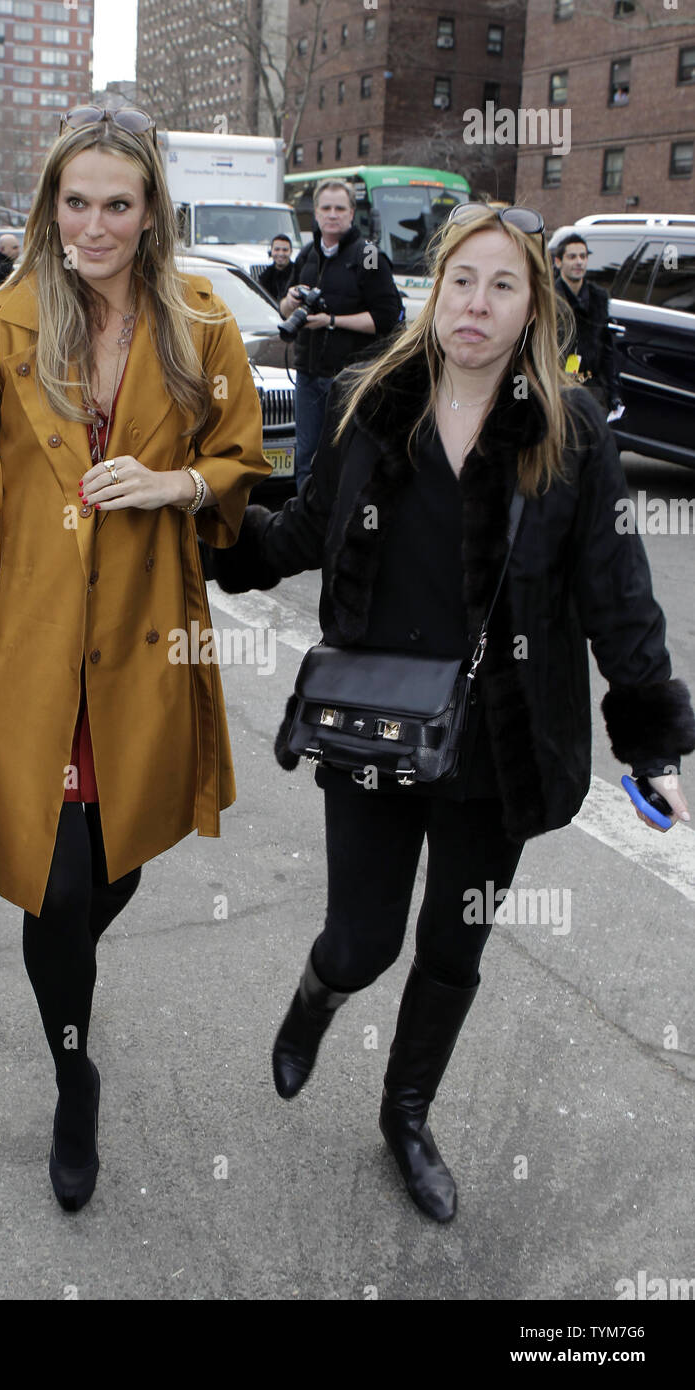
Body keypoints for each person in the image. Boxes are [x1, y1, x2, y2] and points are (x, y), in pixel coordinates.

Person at [213, 203, 694, 1223]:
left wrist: (652, 743)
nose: (476, 303)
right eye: (461, 281)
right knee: (363, 941)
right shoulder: (373, 403)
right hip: (372, 724)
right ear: (436, 293)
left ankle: (406, 1113)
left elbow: (617, 590)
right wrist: (201, 529)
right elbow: (302, 529)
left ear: (533, 309)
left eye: (502, 286)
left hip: (497, 743)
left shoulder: (569, 435)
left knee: (451, 945)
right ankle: (317, 996)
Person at [0, 104, 269, 1215]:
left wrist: (176, 484)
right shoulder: (10, 318)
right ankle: (75, 1079)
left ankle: (68, 978)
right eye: (75, 202)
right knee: (58, 880)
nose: (94, 226)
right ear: (51, 206)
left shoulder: (200, 321)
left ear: (150, 211)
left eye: (117, 204)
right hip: (33, 633)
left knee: (116, 863)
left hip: (145, 629)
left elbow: (241, 459)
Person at [280, 180, 403, 493]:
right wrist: (290, 301)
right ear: (315, 213)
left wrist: (331, 321)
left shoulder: (369, 256)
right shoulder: (306, 254)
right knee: (305, 459)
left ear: (351, 213)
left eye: (339, 208)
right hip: (307, 376)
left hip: (350, 379)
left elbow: (387, 318)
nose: (332, 214)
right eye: (326, 208)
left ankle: (341, 521)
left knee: (345, 461)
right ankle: (303, 519)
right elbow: (283, 310)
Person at [552, 232, 622, 415]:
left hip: (592, 387)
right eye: (572, 257)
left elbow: (606, 349)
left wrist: (613, 393)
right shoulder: (548, 299)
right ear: (558, 262)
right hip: (558, 388)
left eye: (583, 257)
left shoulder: (598, 297)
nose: (579, 262)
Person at [258, 233, 294, 302]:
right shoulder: (265, 276)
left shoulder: (298, 274)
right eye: (277, 249)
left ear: (291, 252)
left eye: (285, 250)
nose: (281, 254)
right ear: (271, 251)